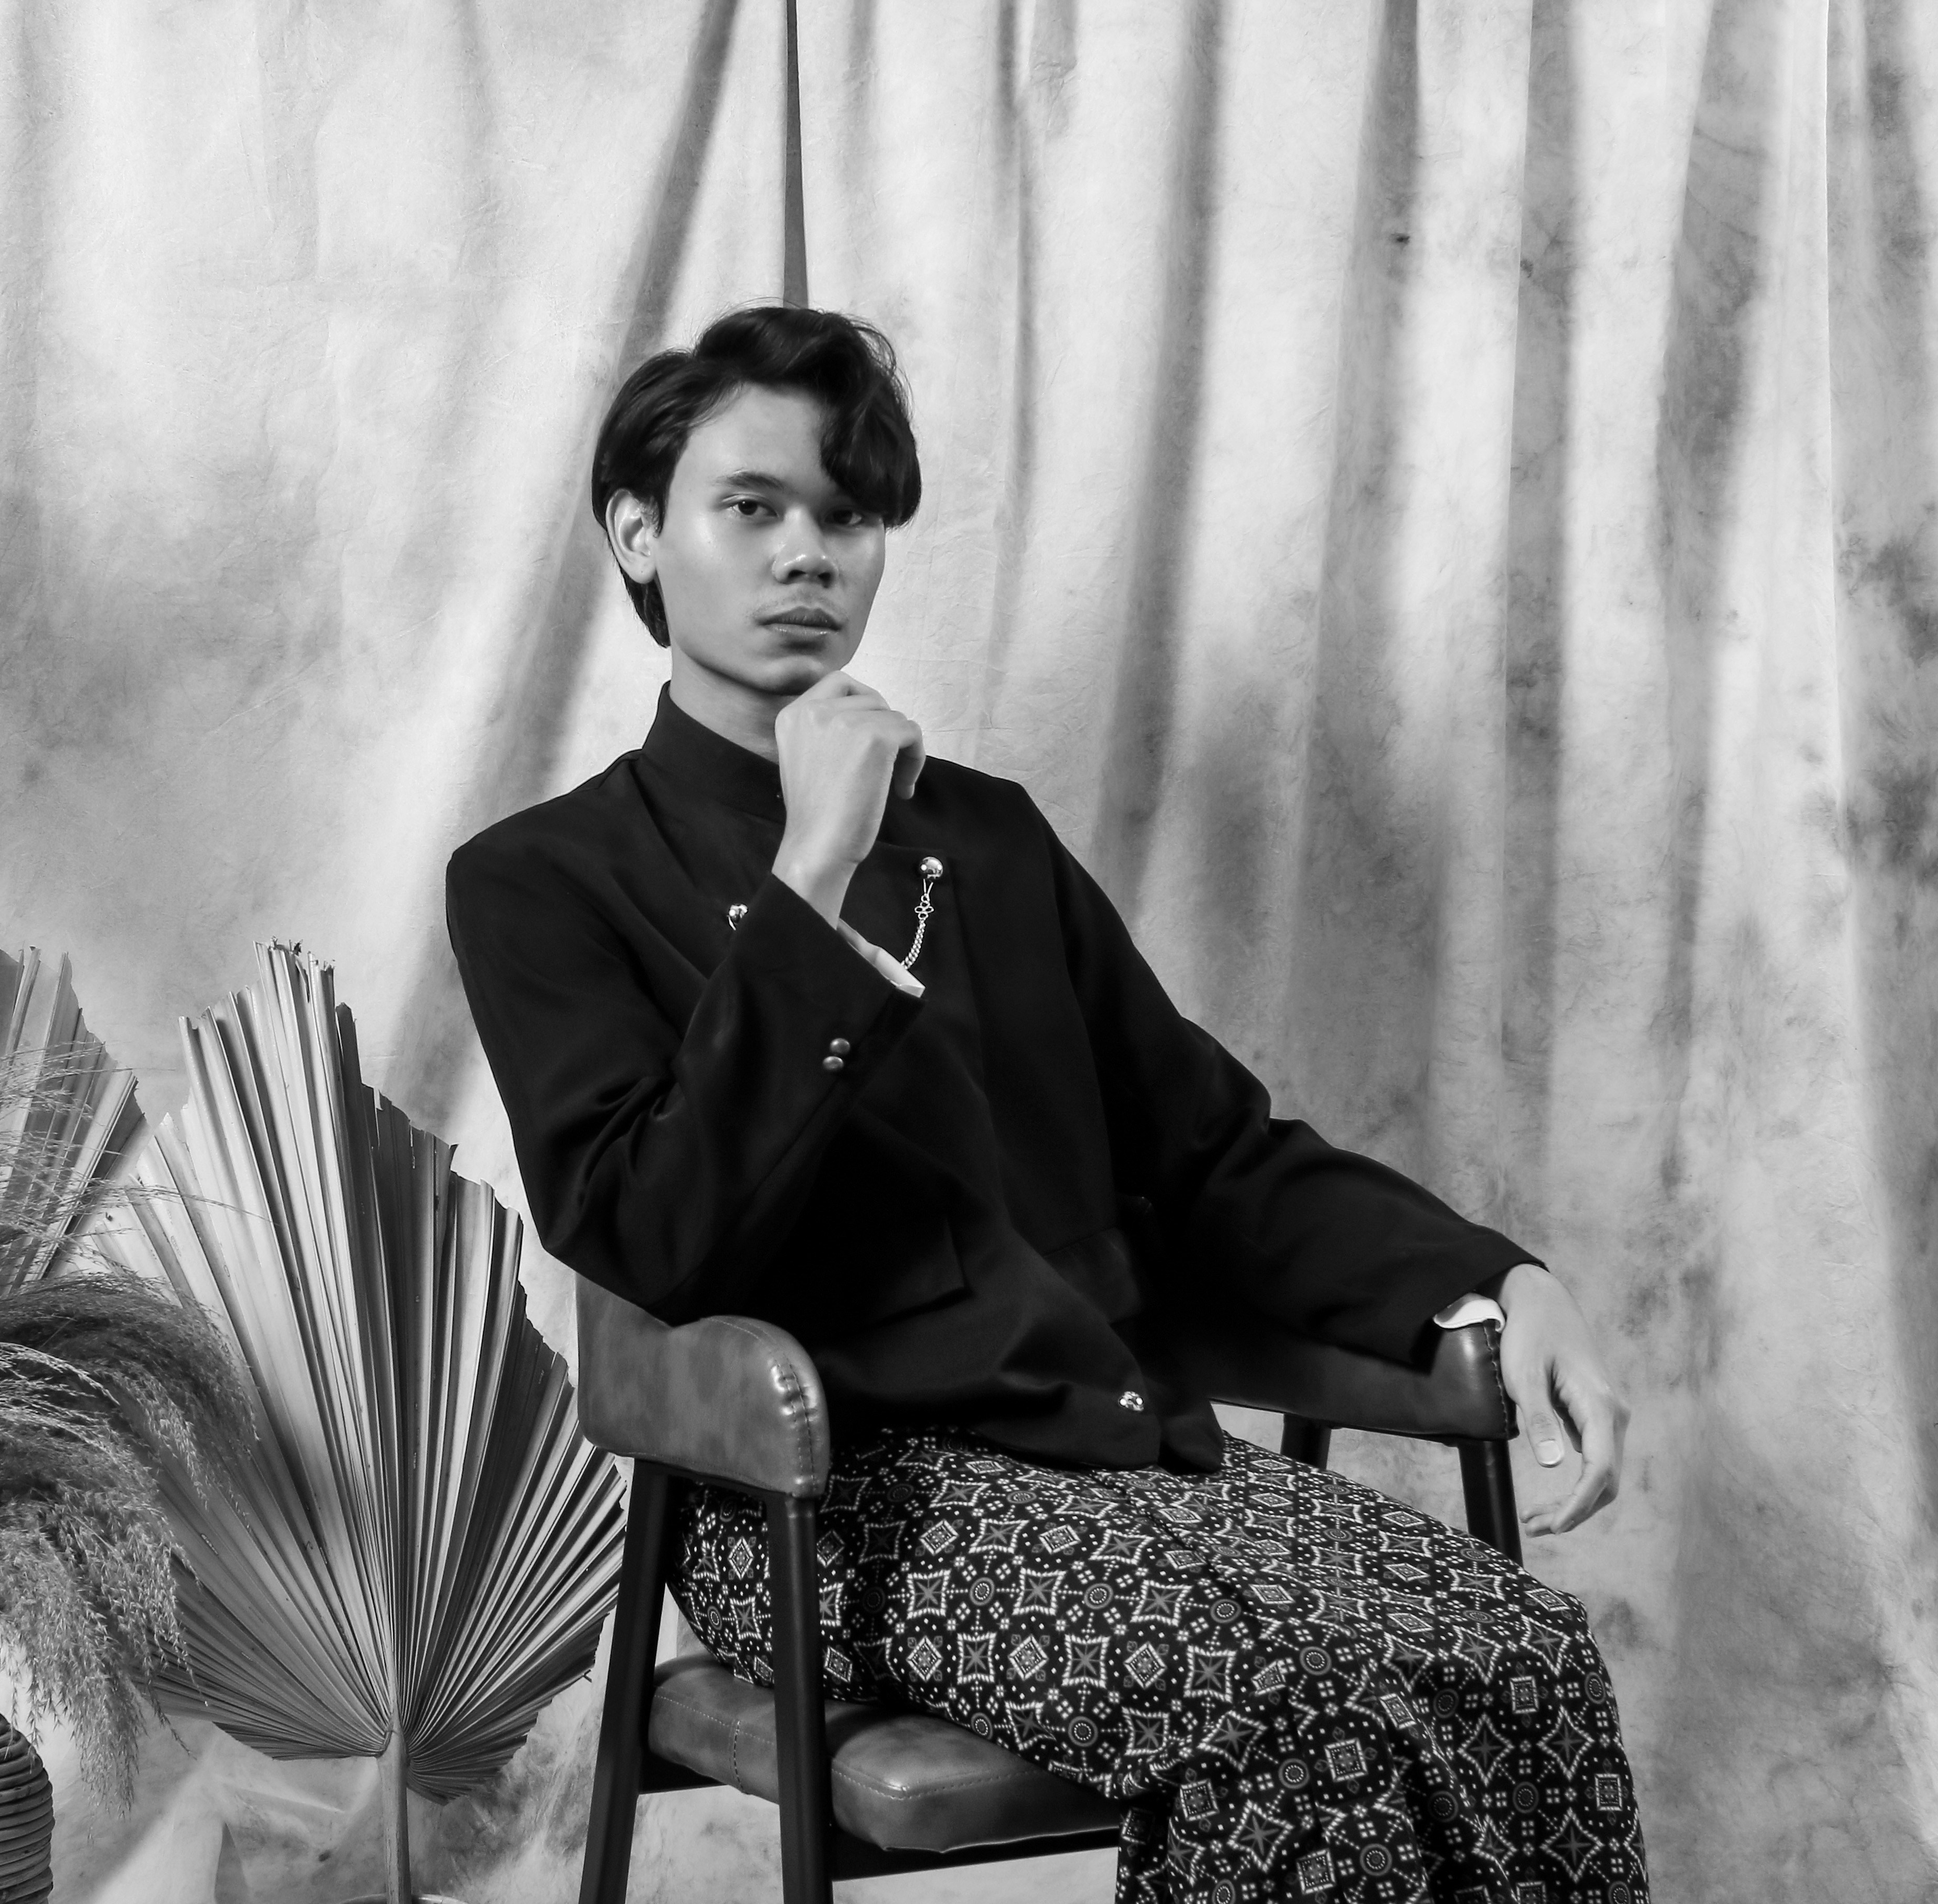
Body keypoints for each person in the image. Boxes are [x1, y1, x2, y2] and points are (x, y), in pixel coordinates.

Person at [445, 305, 1646, 1903]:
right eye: (752, 507)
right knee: (1308, 1718)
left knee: (1527, 1660)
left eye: (846, 515)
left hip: (1111, 1449)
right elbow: (654, 1238)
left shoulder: (991, 840)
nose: (807, 554)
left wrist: (1501, 1279)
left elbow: (1214, 1156)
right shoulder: (542, 880)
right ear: (640, 533)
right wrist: (811, 875)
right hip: (825, 1505)